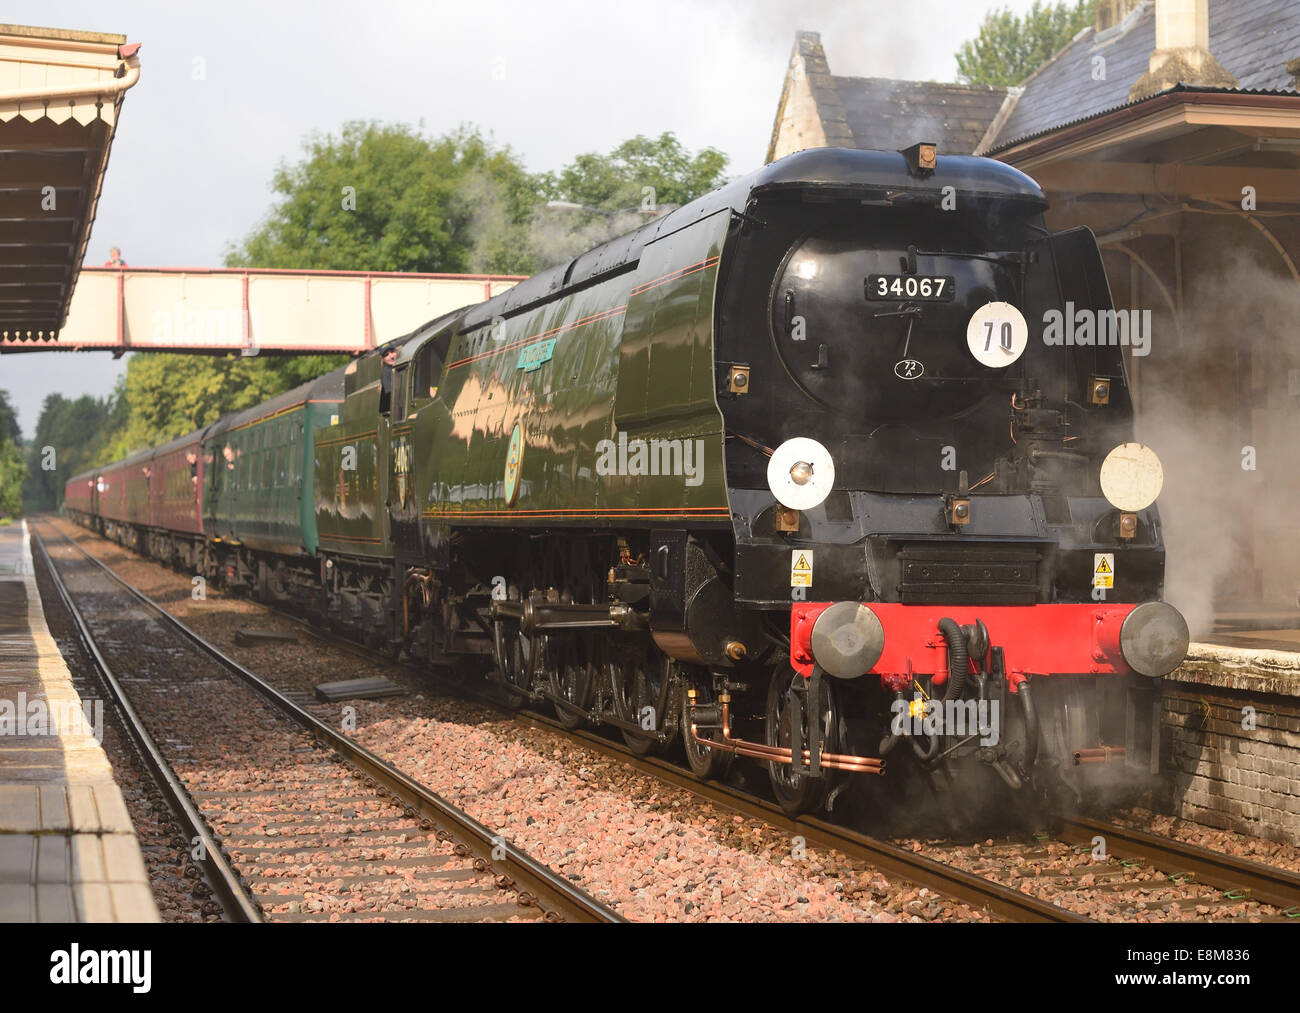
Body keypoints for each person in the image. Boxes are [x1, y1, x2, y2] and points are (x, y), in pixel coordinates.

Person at [379, 346, 398, 414]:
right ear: (383, 359)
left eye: (392, 352)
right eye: (386, 355)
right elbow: (390, 394)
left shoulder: (396, 367)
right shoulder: (386, 373)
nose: (391, 356)